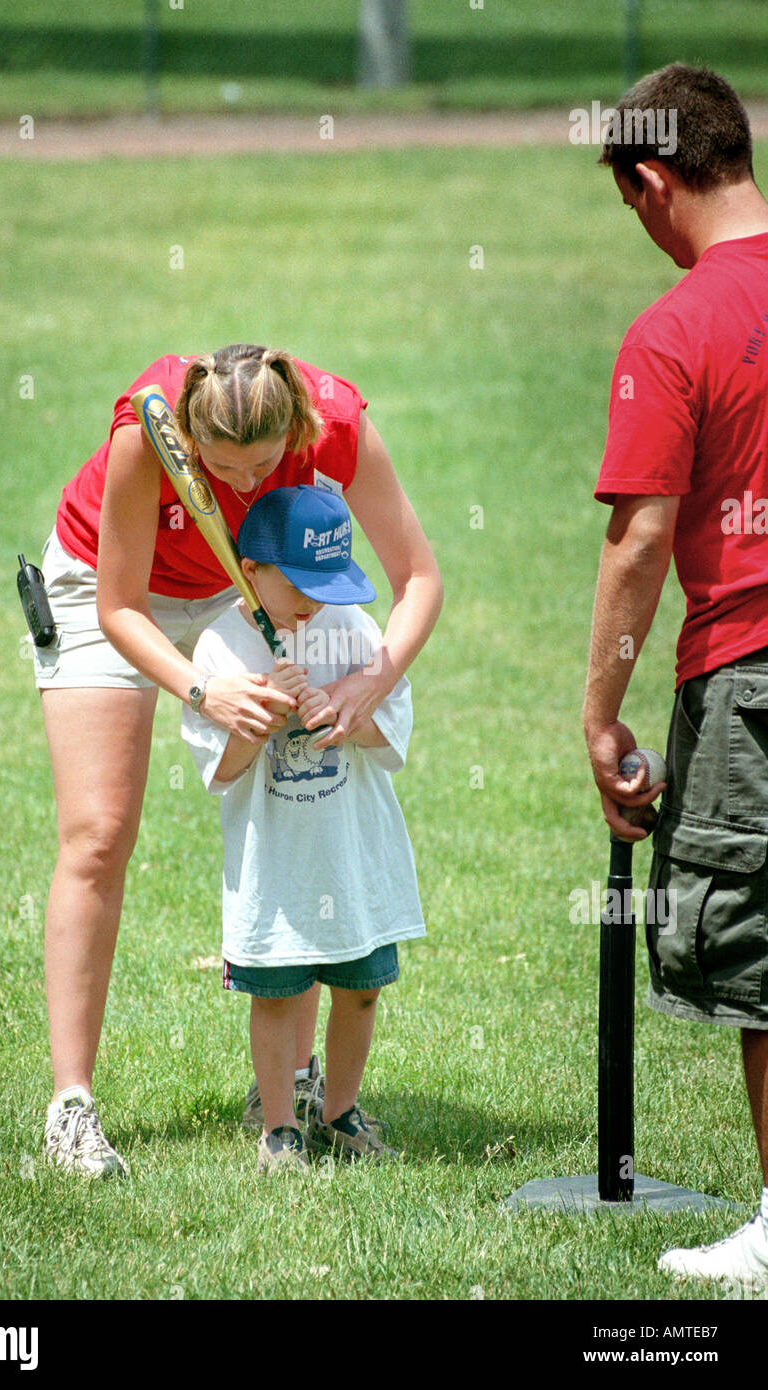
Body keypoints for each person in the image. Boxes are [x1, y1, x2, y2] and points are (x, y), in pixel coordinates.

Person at [29, 344, 442, 1175]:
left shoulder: (336, 425)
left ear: (294, 426)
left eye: (263, 465)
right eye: (223, 467)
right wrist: (203, 692)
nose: (246, 483)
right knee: (98, 832)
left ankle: (287, 1088)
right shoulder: (147, 430)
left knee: (295, 801)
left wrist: (372, 678)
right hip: (109, 589)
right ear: (192, 436)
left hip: (244, 579)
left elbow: (419, 578)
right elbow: (118, 605)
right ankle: (71, 1104)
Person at [583, 64, 768, 1285]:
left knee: (757, 955)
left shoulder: (675, 328)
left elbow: (641, 538)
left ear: (652, 180)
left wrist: (598, 712)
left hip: (746, 664)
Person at [181, 485, 426, 1173]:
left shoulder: (352, 628)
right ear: (248, 570)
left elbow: (390, 739)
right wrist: (257, 720)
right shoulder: (221, 646)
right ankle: (281, 1127)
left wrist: (339, 713)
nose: (313, 603)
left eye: (327, 585)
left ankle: (341, 1110)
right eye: (298, 584)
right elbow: (219, 772)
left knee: (362, 988)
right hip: (277, 869)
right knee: (277, 995)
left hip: (352, 858)